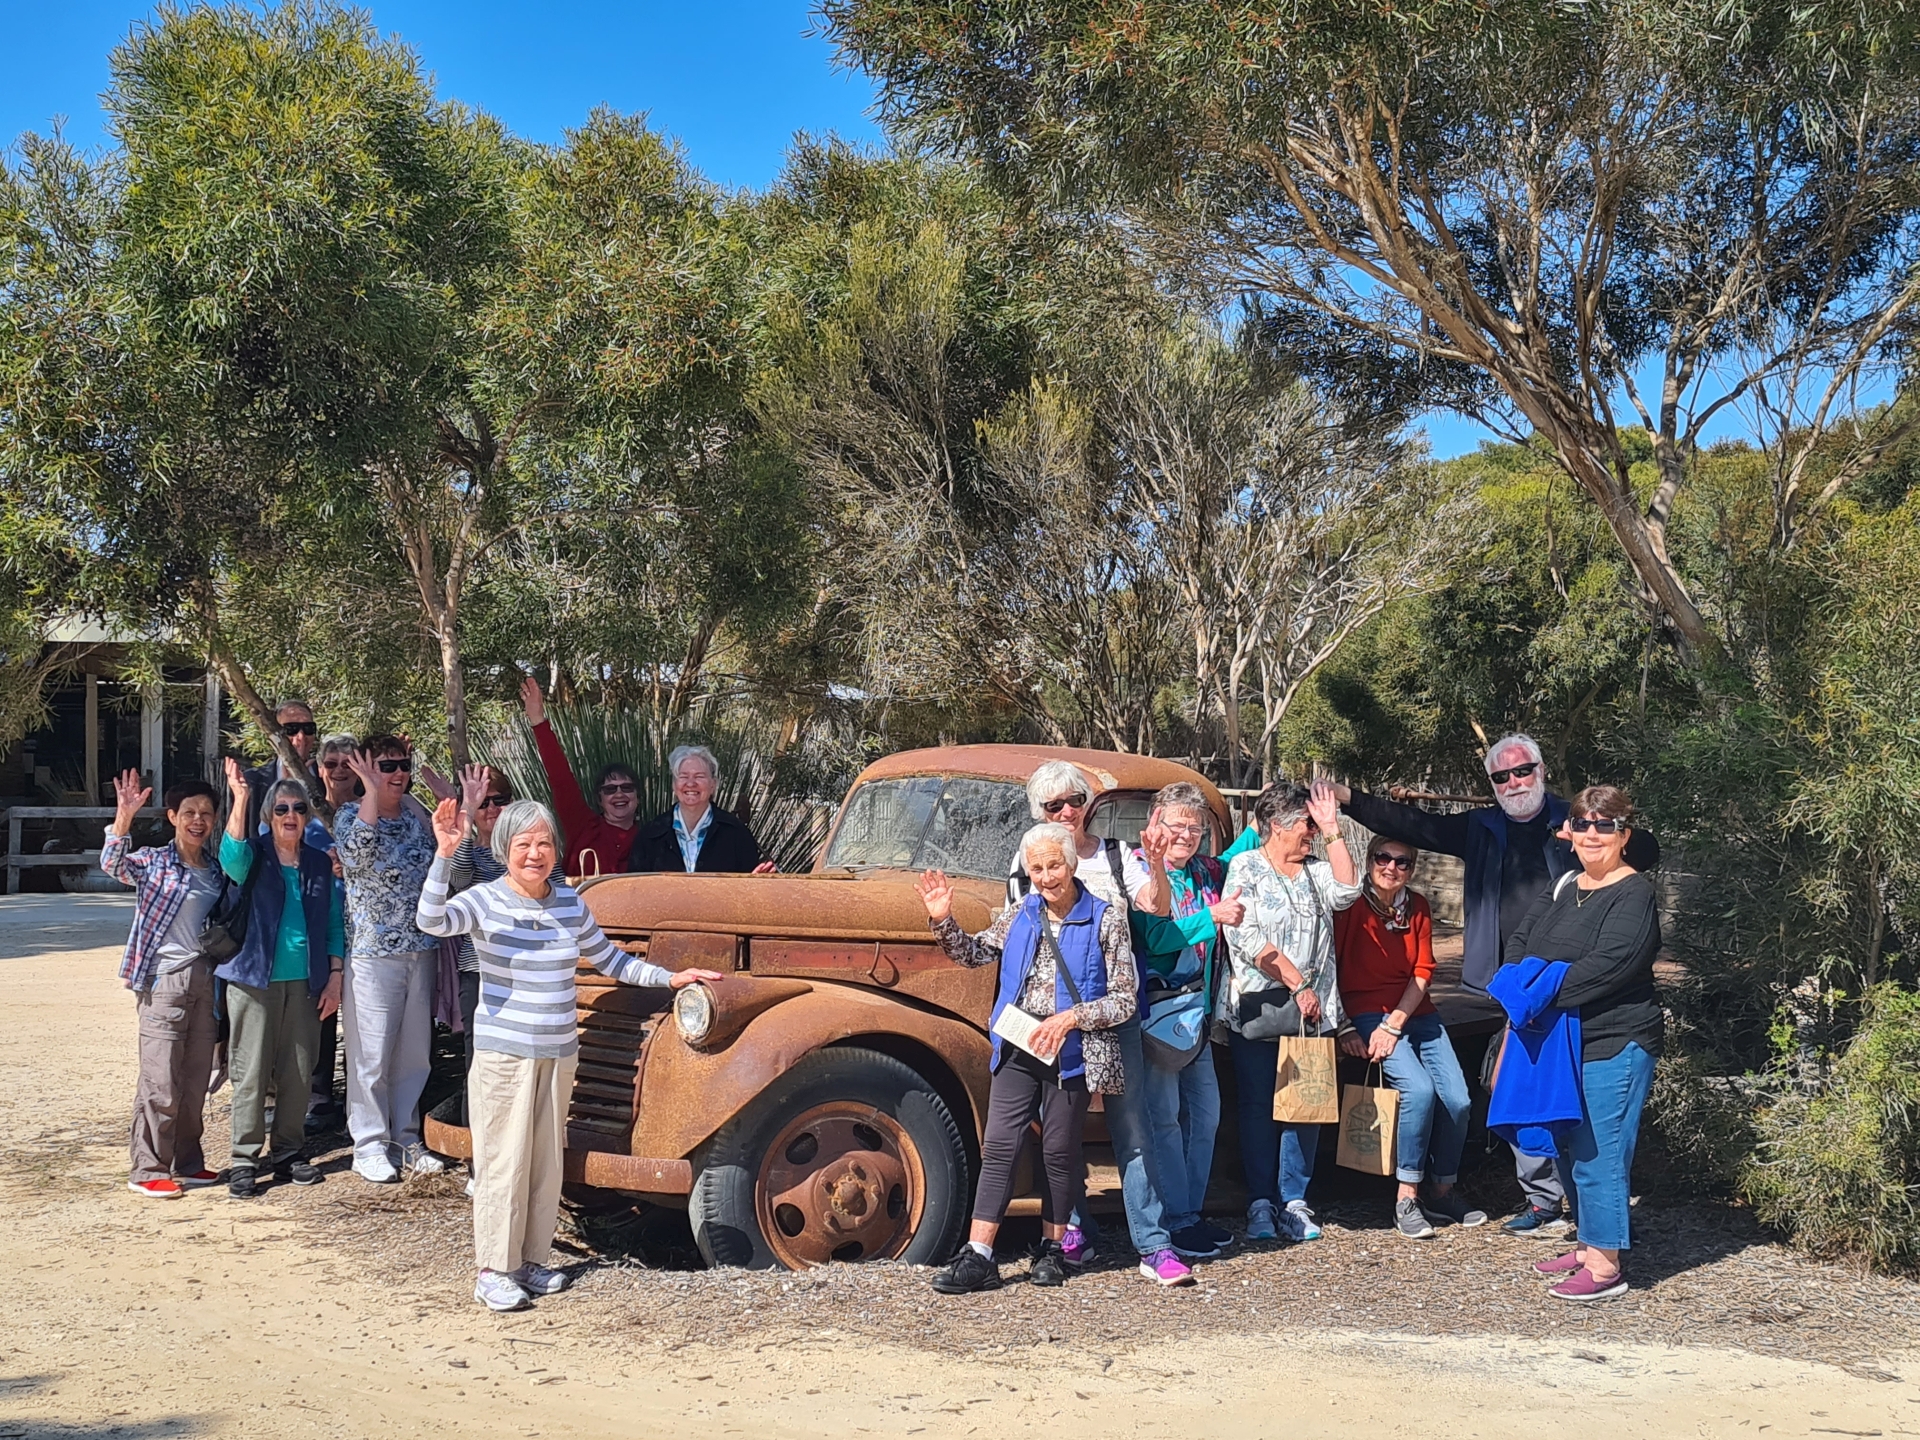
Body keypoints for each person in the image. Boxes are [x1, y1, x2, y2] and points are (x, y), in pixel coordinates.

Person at [1328, 734, 1659, 1236]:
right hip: (1514, 984)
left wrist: (1583, 833)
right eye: (1501, 776)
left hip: (1575, 987)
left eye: (1522, 771)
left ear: (1541, 771)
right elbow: (1411, 823)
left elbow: (1646, 849)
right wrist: (1348, 799)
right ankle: (1544, 1200)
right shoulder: (1481, 827)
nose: (1514, 782)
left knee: (1575, 1108)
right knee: (1517, 1083)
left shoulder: (1574, 822)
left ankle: (1592, 1227)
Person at [415, 795, 723, 1311]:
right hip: (505, 1055)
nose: (534, 854)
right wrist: (444, 853)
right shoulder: (484, 899)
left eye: (544, 843)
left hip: (558, 1052)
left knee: (544, 1159)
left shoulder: (569, 903)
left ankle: (531, 1260)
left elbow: (613, 962)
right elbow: (431, 921)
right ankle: (493, 1269)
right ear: (503, 848)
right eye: (523, 844)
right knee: (503, 1160)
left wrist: (672, 978)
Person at [916, 823, 1137, 1294]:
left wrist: (1071, 1018)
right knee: (999, 1146)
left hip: (1071, 1052)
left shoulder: (1105, 918)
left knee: (1058, 1151)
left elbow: (1125, 999)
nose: (1046, 876)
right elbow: (975, 954)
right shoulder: (1021, 912)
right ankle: (979, 1255)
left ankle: (1052, 1249)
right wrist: (943, 920)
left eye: (1054, 865)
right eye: (1036, 868)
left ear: (1071, 864)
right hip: (1018, 1045)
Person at [1004, 760, 1190, 1286]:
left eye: (1074, 801)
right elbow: (1014, 936)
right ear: (1039, 812)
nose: (1066, 812)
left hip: (1111, 1011)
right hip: (1054, 1018)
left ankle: (1154, 1244)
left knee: (1132, 1127)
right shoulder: (1027, 862)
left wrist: (1156, 865)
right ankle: (1073, 1230)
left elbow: (1154, 908)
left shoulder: (1114, 855)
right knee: (1059, 1131)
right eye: (1053, 805)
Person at [1506, 785, 1662, 1302]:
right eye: (1583, 824)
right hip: (1560, 1040)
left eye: (1605, 825)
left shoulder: (1634, 892)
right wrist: (1519, 982)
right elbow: (1521, 940)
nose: (1593, 834)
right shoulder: (1565, 884)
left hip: (1613, 1039)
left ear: (1624, 835)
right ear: (1569, 832)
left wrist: (1537, 993)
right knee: (1570, 1147)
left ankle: (1604, 1265)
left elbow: (1610, 966)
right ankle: (1587, 1242)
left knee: (1600, 1152)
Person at [1220, 780, 1360, 1242]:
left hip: (1312, 1011)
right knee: (1259, 1104)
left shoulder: (1316, 869)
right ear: (1278, 825)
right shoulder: (1245, 866)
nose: (1311, 833)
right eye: (1307, 824)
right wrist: (1297, 983)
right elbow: (1244, 936)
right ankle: (1261, 1200)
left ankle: (1294, 1200)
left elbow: (1348, 891)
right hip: (1262, 1002)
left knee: (1306, 1102)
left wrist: (1332, 827)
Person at [1334, 837, 1486, 1239]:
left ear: (1412, 869)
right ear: (1369, 861)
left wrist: (1395, 1023)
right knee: (1418, 1090)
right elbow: (1329, 963)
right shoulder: (1350, 905)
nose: (1392, 868)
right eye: (1383, 858)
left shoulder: (1416, 906)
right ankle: (1407, 1195)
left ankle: (1443, 1188)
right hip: (1366, 1008)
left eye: (1402, 862)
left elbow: (1423, 969)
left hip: (1414, 1011)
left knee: (1458, 1097)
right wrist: (1345, 1025)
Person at [216, 761, 344, 1198]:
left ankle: (289, 1152)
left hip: (307, 983)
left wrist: (335, 977)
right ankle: (244, 1159)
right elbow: (230, 857)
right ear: (269, 815)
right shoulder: (253, 854)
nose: (291, 815)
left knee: (298, 1072)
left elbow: (333, 924)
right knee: (251, 1072)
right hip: (254, 979)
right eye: (282, 808)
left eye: (299, 808)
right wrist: (240, 798)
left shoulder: (318, 863)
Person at [1129, 782, 1246, 1260]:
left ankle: (1190, 1212)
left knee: (1206, 1113)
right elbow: (1155, 937)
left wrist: (1278, 804)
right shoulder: (1137, 870)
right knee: (1164, 1119)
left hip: (1197, 1013)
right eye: (1177, 825)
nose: (1186, 835)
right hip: (1159, 1012)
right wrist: (1212, 916)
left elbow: (1244, 847)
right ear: (1153, 823)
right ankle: (1175, 1218)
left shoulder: (1204, 871)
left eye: (1195, 828)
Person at [102, 770, 225, 1198]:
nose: (198, 820)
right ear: (173, 817)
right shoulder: (154, 861)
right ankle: (148, 1167)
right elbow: (113, 865)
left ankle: (188, 1162)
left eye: (206, 813)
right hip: (164, 981)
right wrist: (124, 817)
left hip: (206, 980)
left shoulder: (216, 869)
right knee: (161, 1078)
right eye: (189, 812)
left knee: (195, 1077)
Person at [335, 734, 443, 1184]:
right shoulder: (350, 815)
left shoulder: (415, 814)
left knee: (414, 1054)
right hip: (373, 954)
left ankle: (406, 1138)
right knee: (372, 1054)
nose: (398, 773)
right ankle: (369, 1144)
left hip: (421, 949)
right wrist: (369, 791)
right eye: (386, 765)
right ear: (365, 769)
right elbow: (355, 855)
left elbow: (446, 850)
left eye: (403, 765)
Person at [518, 676, 644, 877]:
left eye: (627, 788)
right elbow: (560, 778)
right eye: (610, 789)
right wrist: (538, 720)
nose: (619, 794)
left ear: (638, 798)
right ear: (600, 799)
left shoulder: (652, 839)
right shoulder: (583, 827)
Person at [304, 732, 361, 1133]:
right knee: (321, 1013)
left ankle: (358, 1099)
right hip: (321, 926)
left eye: (347, 763)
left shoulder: (370, 812)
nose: (339, 771)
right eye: (331, 763)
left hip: (363, 929)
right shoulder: (305, 817)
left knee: (361, 1019)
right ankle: (318, 1098)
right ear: (319, 769)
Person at [626, 744, 777, 874]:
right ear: (674, 785)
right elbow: (636, 889)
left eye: (699, 776)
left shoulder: (736, 833)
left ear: (713, 785)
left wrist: (754, 883)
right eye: (683, 776)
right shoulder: (650, 834)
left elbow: (748, 888)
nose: (691, 783)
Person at [242, 700, 322, 834]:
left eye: (308, 728)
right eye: (291, 729)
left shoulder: (327, 778)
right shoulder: (253, 782)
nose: (301, 736)